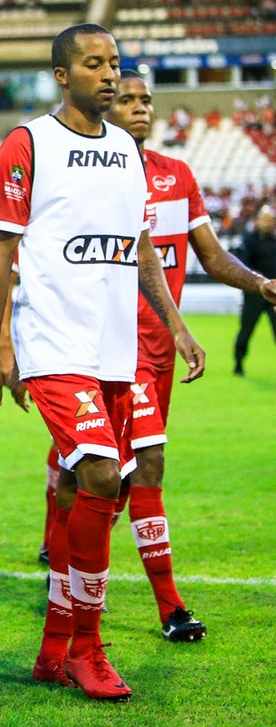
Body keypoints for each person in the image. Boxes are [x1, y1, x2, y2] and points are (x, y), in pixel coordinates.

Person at [0, 24, 205, 701]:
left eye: (115, 64)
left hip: (114, 349)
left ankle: (51, 647)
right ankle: (88, 650)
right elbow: (2, 253)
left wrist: (177, 327)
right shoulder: (29, 143)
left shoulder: (129, 156)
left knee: (88, 490)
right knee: (102, 475)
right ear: (61, 76)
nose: (109, 75)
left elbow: (140, 252)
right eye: (93, 64)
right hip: (53, 346)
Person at [34, 71, 276, 642]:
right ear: (103, 107)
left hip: (159, 353)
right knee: (141, 469)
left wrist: (259, 282)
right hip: (109, 348)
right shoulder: (85, 177)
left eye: (148, 100)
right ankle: (168, 606)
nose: (141, 108)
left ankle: (64, 587)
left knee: (94, 479)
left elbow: (212, 258)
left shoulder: (177, 176)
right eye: (129, 99)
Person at [232, 205, 276, 375]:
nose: (269, 224)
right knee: (246, 331)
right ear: (259, 221)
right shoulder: (249, 240)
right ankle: (238, 362)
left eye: (271, 221)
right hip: (254, 295)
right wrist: (260, 280)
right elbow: (243, 264)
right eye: (266, 220)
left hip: (274, 294)